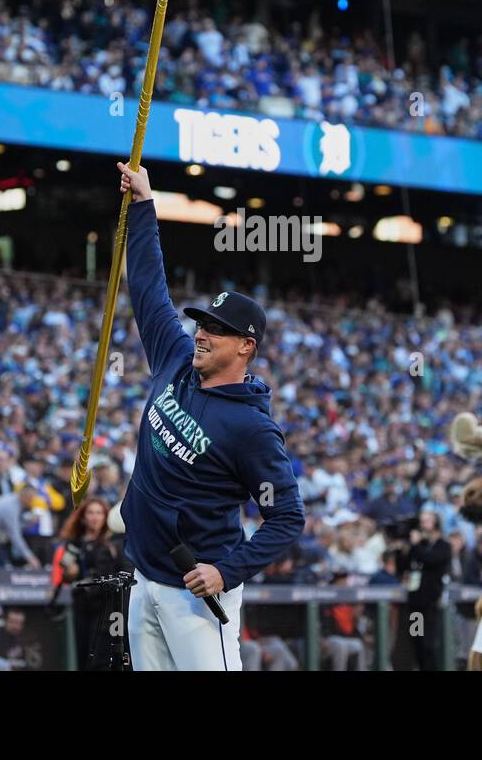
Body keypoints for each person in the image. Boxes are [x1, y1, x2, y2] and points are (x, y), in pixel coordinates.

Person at [115, 161, 305, 671]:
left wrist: (227, 571)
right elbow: (151, 289)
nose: (200, 333)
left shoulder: (252, 429)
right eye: (200, 323)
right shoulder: (176, 358)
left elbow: (287, 517)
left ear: (245, 346)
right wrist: (143, 205)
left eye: (214, 330)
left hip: (196, 596)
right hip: (144, 578)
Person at [59, 496, 125, 668]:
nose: (95, 517)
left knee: (101, 655)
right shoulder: (75, 543)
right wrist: (70, 573)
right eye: (90, 513)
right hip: (81, 603)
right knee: (81, 652)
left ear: (106, 517)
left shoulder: (112, 543)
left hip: (105, 606)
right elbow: (65, 575)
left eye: (99, 513)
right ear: (83, 517)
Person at [403, 509, 451, 670]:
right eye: (421, 521)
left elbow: (432, 560)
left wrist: (416, 546)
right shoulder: (419, 545)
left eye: (427, 520)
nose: (423, 524)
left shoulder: (443, 546)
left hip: (430, 603)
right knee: (416, 642)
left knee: (428, 644)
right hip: (415, 602)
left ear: (436, 524)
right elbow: (404, 565)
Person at [0, 485, 40, 566]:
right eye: (31, 499)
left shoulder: (13, 500)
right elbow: (15, 535)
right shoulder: (10, 507)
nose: (31, 502)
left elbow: (13, 526)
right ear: (25, 496)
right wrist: (30, 557)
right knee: (4, 566)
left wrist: (27, 524)